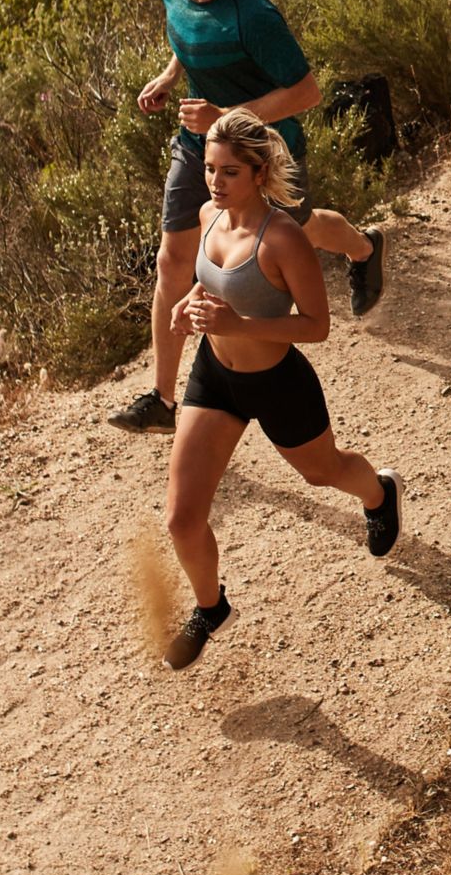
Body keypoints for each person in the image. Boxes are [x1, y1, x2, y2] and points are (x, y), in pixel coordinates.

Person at [112, 0, 384, 436]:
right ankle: (163, 401)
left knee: (300, 232)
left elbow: (306, 91)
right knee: (173, 260)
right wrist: (170, 77)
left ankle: (364, 247)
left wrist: (225, 113)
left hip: (266, 153)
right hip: (199, 148)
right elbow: (182, 32)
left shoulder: (254, 17)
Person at [155, 109, 399, 668]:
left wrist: (238, 324)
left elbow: (316, 325)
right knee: (181, 517)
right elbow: (206, 283)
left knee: (324, 471)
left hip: (277, 382)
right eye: (211, 169)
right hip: (215, 378)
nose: (215, 182)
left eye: (230, 172)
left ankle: (380, 494)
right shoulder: (207, 215)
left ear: (259, 173)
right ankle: (211, 607)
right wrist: (188, 308)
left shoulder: (283, 237)